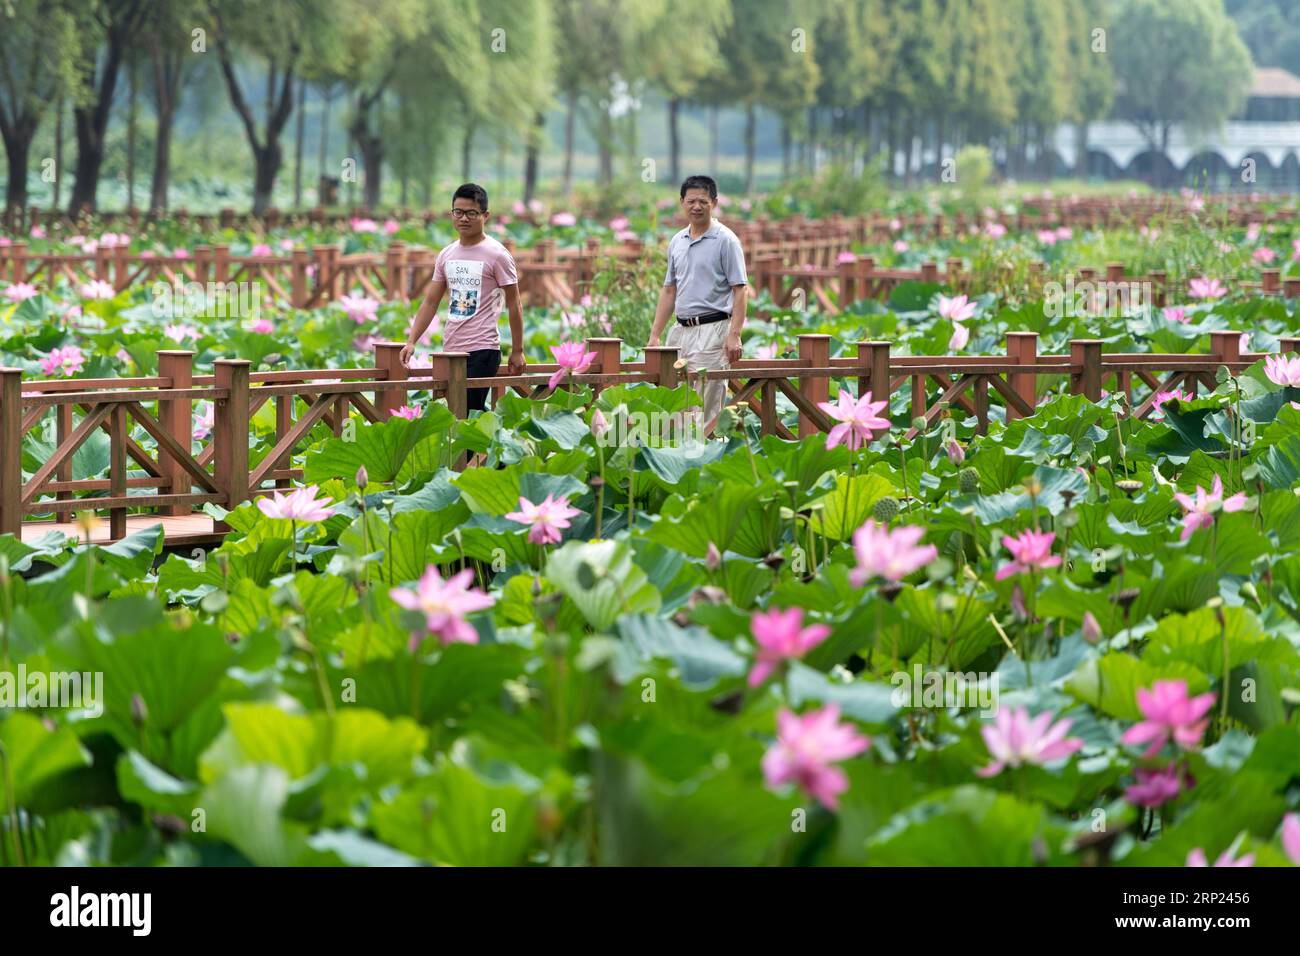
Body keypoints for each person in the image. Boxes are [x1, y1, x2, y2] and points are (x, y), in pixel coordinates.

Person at [401, 183, 526, 412]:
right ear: (452, 214)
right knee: (454, 418)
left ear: (485, 216)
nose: (464, 218)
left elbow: (514, 303)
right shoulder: (446, 254)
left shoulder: (497, 255)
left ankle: (491, 443)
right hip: (451, 350)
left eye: (471, 213)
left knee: (466, 414)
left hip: (483, 349)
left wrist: (517, 350)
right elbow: (430, 302)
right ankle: (488, 444)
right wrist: (412, 341)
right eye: (458, 212)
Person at [647, 174, 748, 432]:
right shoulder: (677, 241)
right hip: (680, 332)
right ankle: (678, 464)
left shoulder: (726, 240)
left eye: (703, 201)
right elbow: (669, 290)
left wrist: (734, 335)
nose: (696, 206)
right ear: (682, 202)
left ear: (714, 202)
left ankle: (703, 464)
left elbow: (740, 289)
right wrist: (655, 335)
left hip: (713, 330)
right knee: (675, 405)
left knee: (706, 407)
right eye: (691, 201)